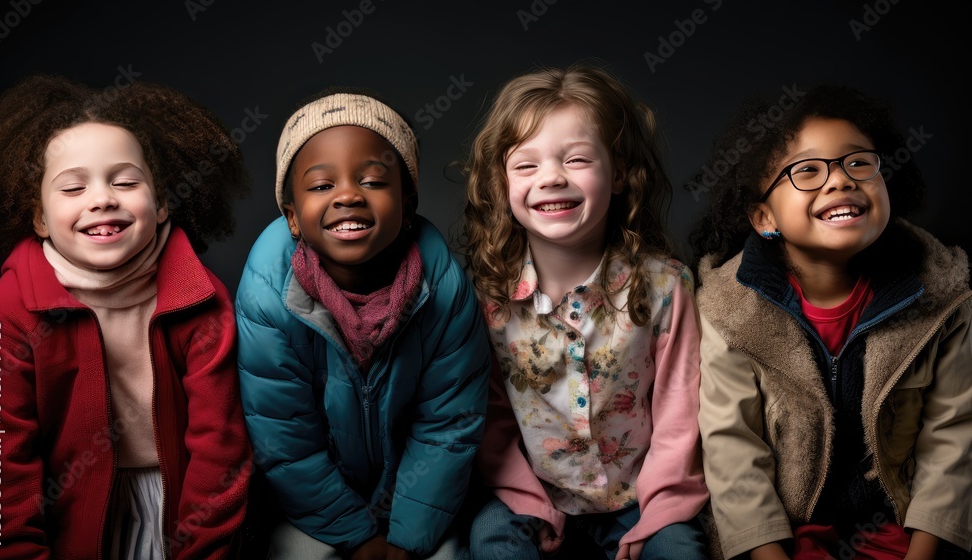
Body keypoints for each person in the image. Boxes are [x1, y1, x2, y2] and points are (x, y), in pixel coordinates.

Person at [0, 74, 253, 558]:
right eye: (73, 187)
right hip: (66, 520)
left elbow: (221, 449)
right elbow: (3, 455)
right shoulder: (11, 306)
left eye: (124, 181)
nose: (102, 198)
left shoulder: (201, 298)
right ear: (38, 217)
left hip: (181, 509)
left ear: (162, 203)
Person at [690, 83, 972, 559]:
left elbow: (954, 437)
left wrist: (925, 551)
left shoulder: (943, 293)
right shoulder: (728, 310)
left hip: (900, 521)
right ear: (763, 217)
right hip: (785, 528)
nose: (840, 181)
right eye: (806, 171)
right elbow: (733, 452)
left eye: (858, 162)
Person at [460, 63, 710, 560]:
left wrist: (659, 512)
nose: (551, 178)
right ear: (501, 184)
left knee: (681, 551)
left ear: (619, 173)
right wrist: (532, 504)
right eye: (526, 166)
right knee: (490, 544)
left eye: (576, 160)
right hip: (529, 496)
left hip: (640, 495)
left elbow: (680, 414)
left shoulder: (665, 285)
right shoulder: (488, 298)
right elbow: (492, 420)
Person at [235, 87, 491, 560]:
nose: (348, 194)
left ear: (408, 204)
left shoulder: (445, 290)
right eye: (320, 186)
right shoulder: (268, 294)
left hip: (422, 502)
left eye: (373, 181)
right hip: (313, 505)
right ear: (292, 216)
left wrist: (406, 538)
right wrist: (355, 536)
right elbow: (284, 439)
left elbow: (449, 425)